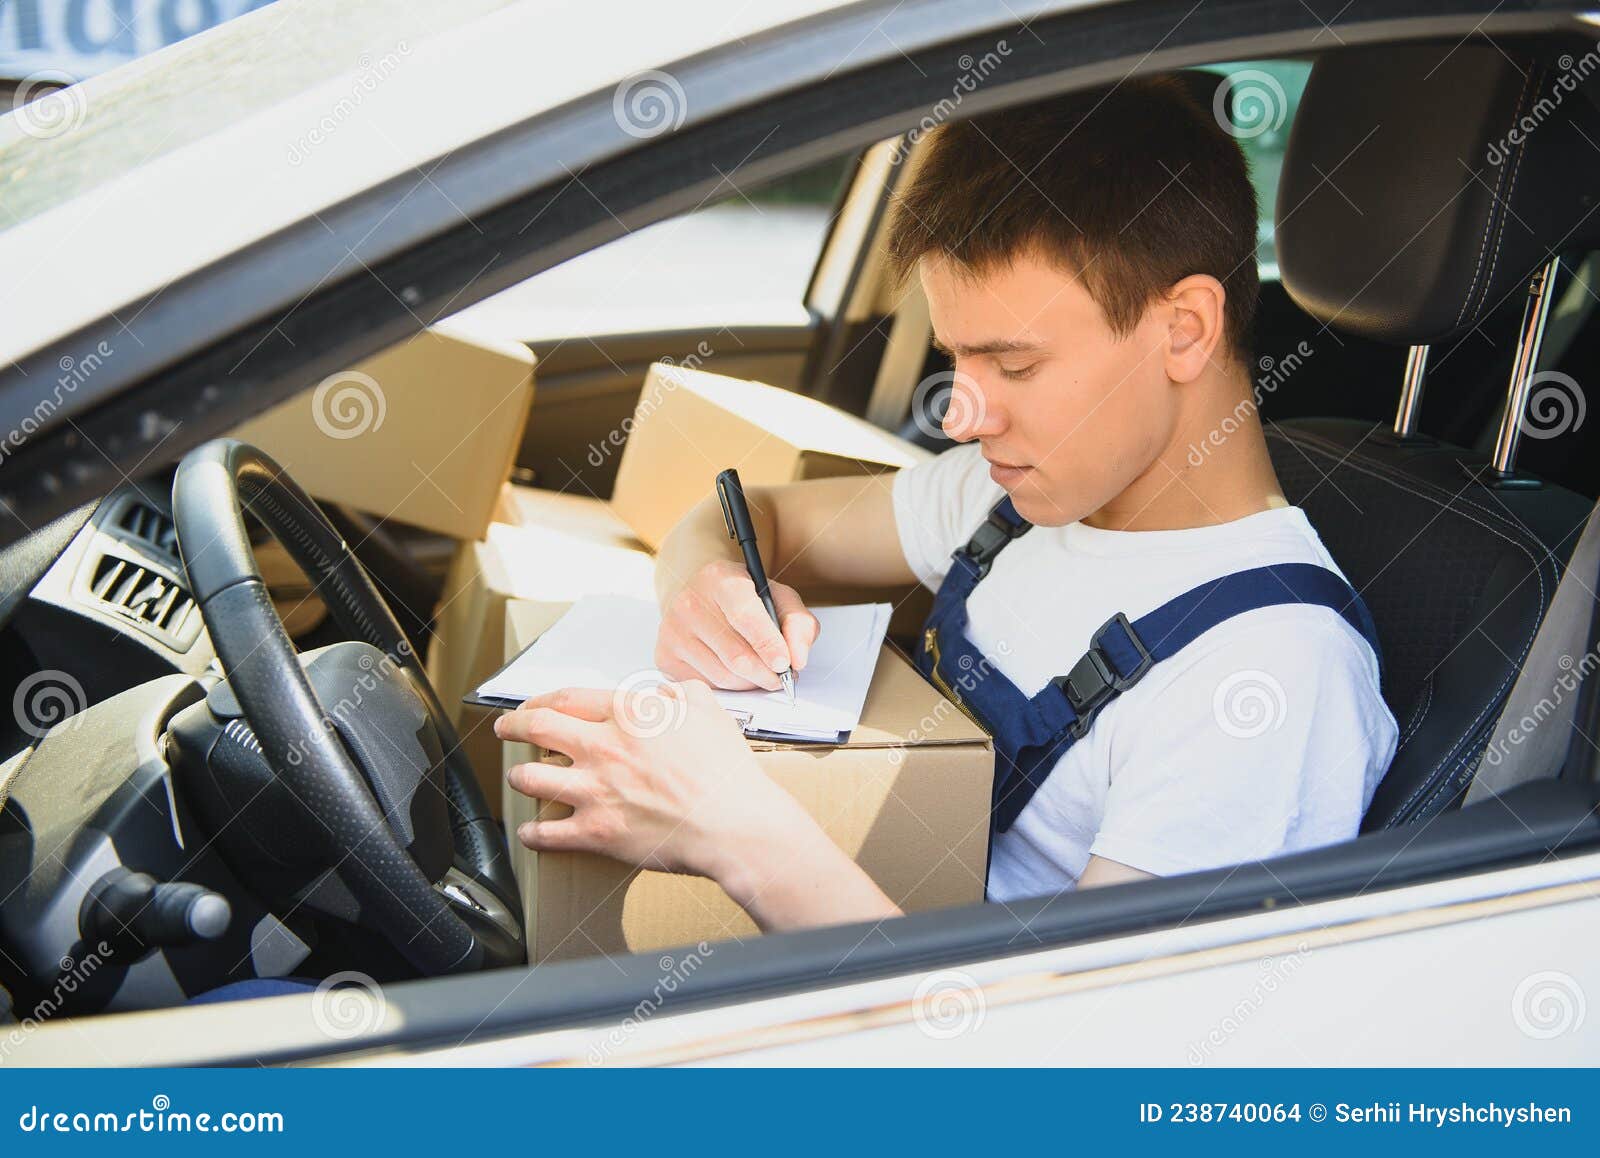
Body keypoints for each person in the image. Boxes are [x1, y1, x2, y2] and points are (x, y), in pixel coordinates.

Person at [494, 76, 1398, 931]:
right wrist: (707, 586)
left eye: (1015, 366)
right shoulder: (1006, 496)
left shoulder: (1269, 676)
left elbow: (1080, 1066)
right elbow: (748, 515)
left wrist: (731, 831)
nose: (964, 415)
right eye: (955, 361)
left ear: (1185, 329)